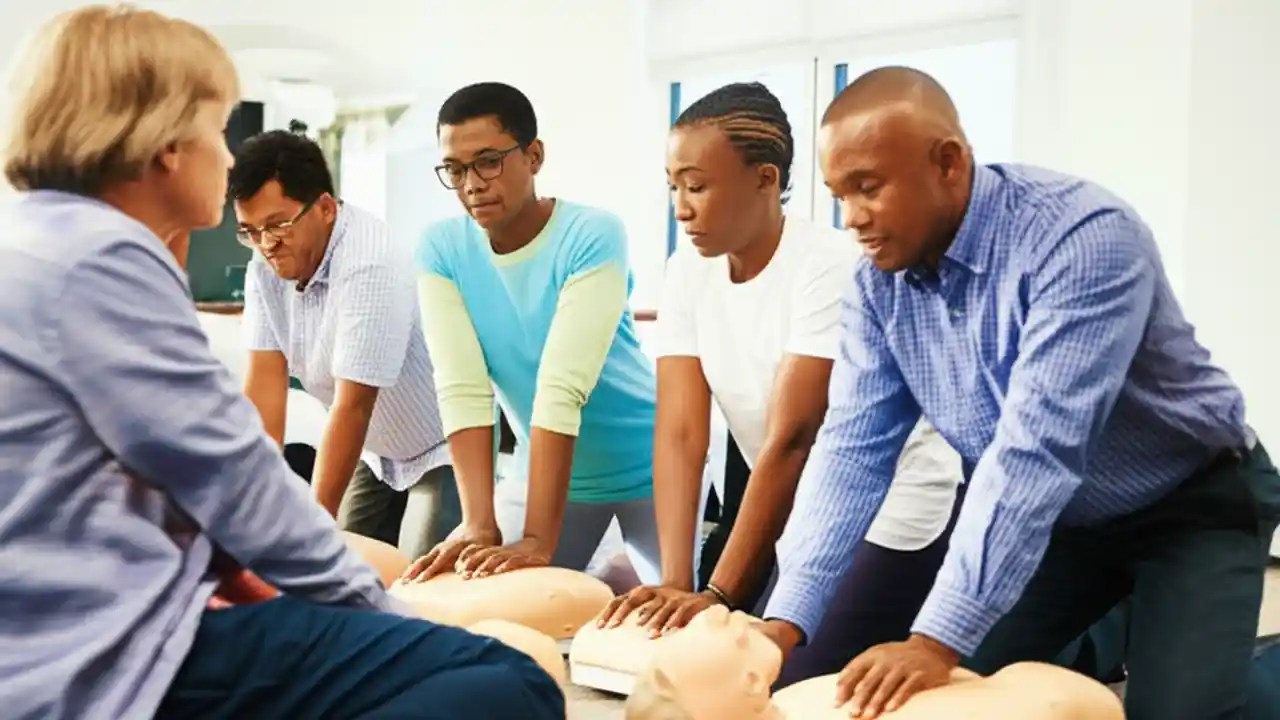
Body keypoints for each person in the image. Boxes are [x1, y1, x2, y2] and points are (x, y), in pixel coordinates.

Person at [0, 7, 562, 719]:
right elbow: (238, 475)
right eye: (216, 130)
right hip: (103, 658)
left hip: (422, 448)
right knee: (508, 679)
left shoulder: (32, 241)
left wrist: (254, 566)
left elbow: (224, 469)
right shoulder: (104, 259)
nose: (226, 157)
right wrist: (386, 624)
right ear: (166, 145)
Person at [751, 65, 1280, 720]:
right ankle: (1138, 635)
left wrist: (933, 640)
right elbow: (853, 453)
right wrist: (783, 621)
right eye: (839, 196)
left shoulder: (1084, 238)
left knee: (1180, 709)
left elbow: (1036, 452)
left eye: (869, 188)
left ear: (948, 163)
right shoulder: (875, 286)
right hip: (1065, 526)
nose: (852, 219)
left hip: (1190, 504)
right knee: (957, 698)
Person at [594, 82, 963, 687]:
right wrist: (678, 581)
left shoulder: (830, 264)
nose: (681, 208)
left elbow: (792, 438)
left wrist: (718, 591)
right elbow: (682, 433)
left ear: (765, 179)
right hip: (795, 512)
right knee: (706, 656)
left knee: (776, 678)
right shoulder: (686, 270)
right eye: (673, 187)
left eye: (697, 186)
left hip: (890, 508)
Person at [405, 81, 661, 585]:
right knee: (482, 591)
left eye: (488, 162)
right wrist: (479, 523)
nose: (472, 184)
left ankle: (618, 572)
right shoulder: (441, 249)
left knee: (658, 612)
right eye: (455, 169)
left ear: (534, 156)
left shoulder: (593, 233)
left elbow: (561, 387)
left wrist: (538, 540)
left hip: (650, 467)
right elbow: (462, 388)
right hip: (543, 474)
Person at [233, 129, 458, 558]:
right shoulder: (263, 267)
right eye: (250, 230)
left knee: (418, 573)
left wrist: (312, 529)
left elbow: (353, 405)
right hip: (374, 449)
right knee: (344, 564)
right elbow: (264, 386)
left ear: (324, 208)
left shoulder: (369, 262)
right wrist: (254, 506)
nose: (266, 244)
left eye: (278, 225)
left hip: (442, 442)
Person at [623, 604, 1123, 720]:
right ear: (754, 683)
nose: (723, 615)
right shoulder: (804, 697)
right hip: (1067, 704)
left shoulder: (796, 698)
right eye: (735, 636)